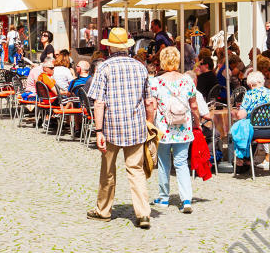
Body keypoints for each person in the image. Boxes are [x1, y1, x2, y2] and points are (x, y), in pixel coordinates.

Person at [87, 28, 155, 229]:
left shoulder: (105, 68)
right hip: (135, 126)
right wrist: (149, 122)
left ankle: (104, 210)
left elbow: (99, 103)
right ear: (127, 47)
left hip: (111, 127)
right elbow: (149, 101)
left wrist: (98, 131)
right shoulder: (140, 67)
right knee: (136, 170)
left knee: (108, 170)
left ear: (109, 47)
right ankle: (143, 213)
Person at [147, 46, 207, 214]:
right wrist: (197, 123)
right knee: (181, 163)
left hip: (164, 127)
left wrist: (150, 125)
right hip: (183, 126)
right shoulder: (187, 80)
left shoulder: (156, 81)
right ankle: (186, 199)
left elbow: (152, 106)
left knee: (163, 162)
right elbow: (194, 105)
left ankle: (164, 197)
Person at [233, 70, 270, 175]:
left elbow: (240, 116)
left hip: (257, 132)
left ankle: (241, 160)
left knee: (241, 128)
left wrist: (237, 111)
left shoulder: (250, 95)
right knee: (248, 128)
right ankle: (248, 160)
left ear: (250, 84)